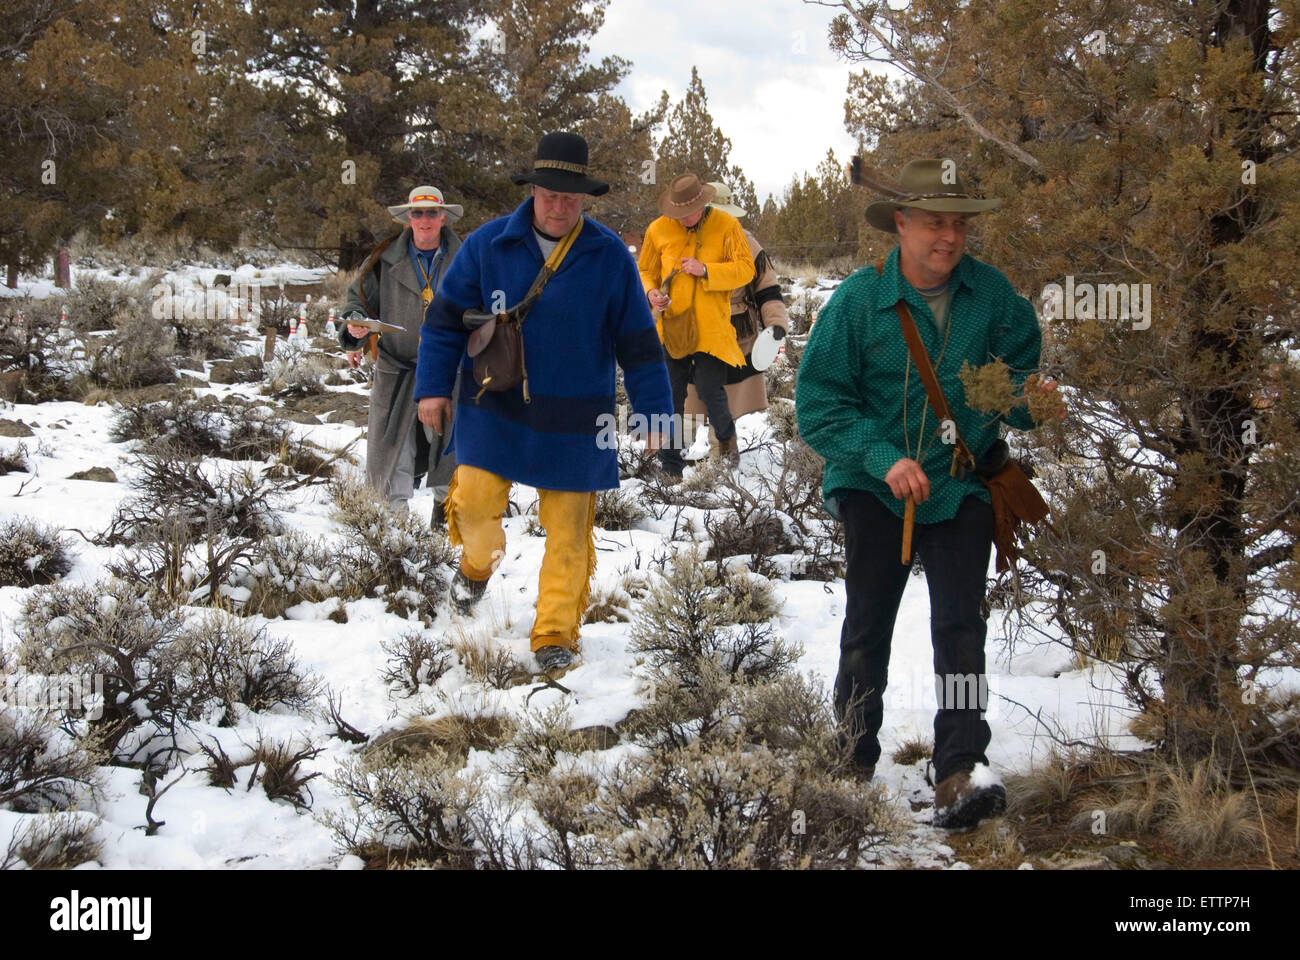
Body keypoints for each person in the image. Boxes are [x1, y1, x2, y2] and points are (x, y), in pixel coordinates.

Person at [795, 158, 1062, 830]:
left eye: (958, 225)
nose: (948, 237)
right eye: (935, 223)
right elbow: (818, 406)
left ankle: (958, 768)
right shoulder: (858, 302)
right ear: (902, 225)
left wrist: (1036, 405)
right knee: (866, 627)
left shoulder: (996, 299)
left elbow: (1017, 390)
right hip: (874, 487)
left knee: (961, 627)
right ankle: (854, 755)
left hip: (959, 484)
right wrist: (884, 459)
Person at [414, 132, 672, 672]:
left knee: (570, 530)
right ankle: (476, 567)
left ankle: (554, 631)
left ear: (585, 198)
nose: (560, 206)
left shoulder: (608, 257)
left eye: (571, 197)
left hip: (579, 416)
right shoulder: (487, 246)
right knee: (474, 504)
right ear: (532, 189)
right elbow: (442, 325)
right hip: (494, 404)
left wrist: (654, 410)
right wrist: (433, 388)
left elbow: (639, 343)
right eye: (550, 194)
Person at [338, 186, 462, 525]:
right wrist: (355, 330)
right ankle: (397, 528)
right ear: (409, 218)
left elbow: (485, 308)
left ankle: (445, 516)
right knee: (395, 451)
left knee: (448, 447)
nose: (425, 220)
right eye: (418, 213)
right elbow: (356, 303)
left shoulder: (466, 260)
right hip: (397, 371)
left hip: (451, 372)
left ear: (442, 217)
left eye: (431, 213)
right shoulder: (382, 261)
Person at [639, 173, 754, 477]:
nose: (684, 219)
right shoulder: (658, 229)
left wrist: (706, 270)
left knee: (708, 388)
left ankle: (727, 446)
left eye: (689, 212)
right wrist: (651, 293)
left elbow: (746, 269)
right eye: (678, 214)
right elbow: (645, 270)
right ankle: (670, 466)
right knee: (671, 396)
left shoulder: (727, 226)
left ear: (703, 203)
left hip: (711, 330)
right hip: (672, 329)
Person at [683, 182, 788, 459]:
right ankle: (673, 462)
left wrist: (776, 325)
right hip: (692, 334)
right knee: (688, 396)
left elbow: (767, 289)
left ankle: (723, 458)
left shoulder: (747, 244)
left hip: (735, 337)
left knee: (723, 399)